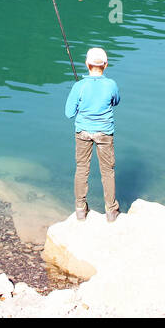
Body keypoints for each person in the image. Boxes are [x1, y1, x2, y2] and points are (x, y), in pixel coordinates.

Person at [64, 46, 120, 222]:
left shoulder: (79, 86)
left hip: (83, 133)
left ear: (87, 64)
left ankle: (80, 209)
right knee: (108, 172)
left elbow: (68, 113)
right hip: (104, 133)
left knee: (82, 169)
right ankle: (111, 211)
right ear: (106, 65)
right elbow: (116, 101)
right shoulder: (111, 84)